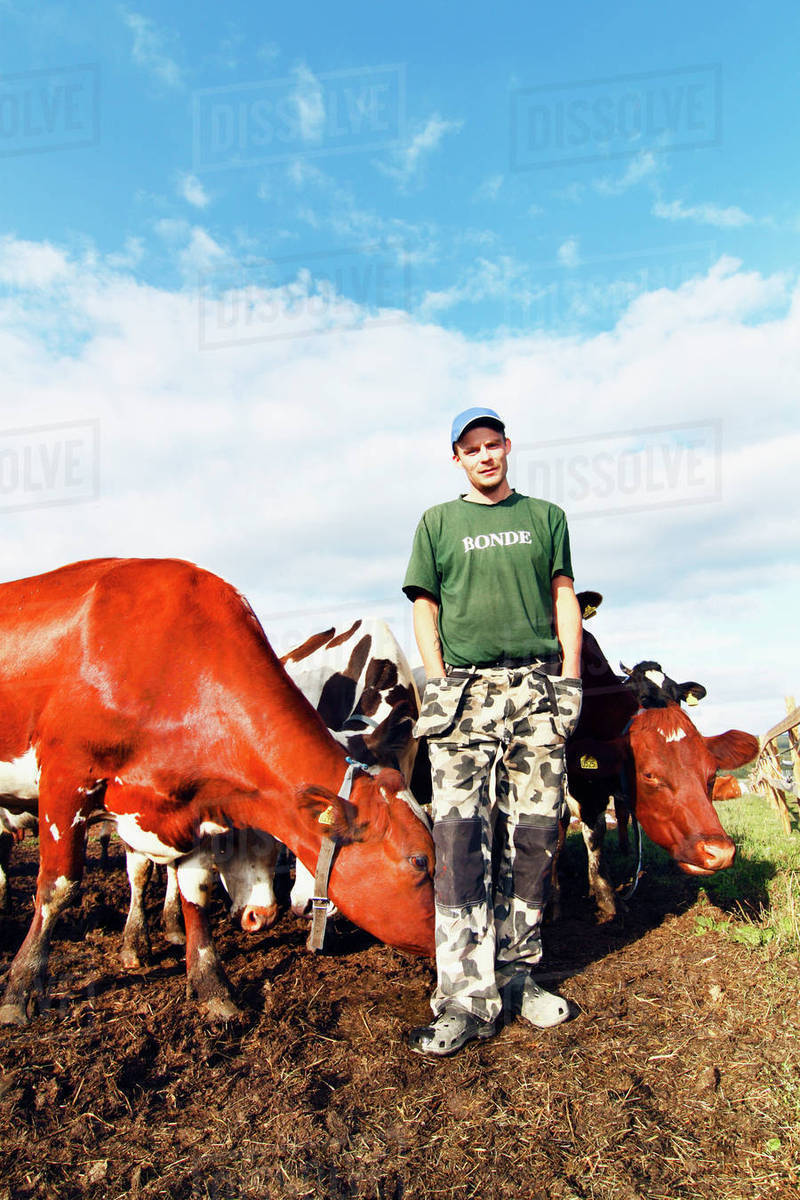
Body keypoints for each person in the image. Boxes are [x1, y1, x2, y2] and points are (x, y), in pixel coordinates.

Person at [402, 406, 583, 1056]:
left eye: (492, 444)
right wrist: (439, 679)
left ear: (508, 447)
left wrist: (569, 681)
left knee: (533, 838)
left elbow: (564, 596)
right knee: (459, 845)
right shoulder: (438, 523)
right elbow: (426, 605)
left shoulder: (545, 519)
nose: (484, 455)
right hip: (466, 694)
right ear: (457, 457)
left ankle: (518, 977)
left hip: (536, 691)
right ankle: (462, 999)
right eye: (471, 447)